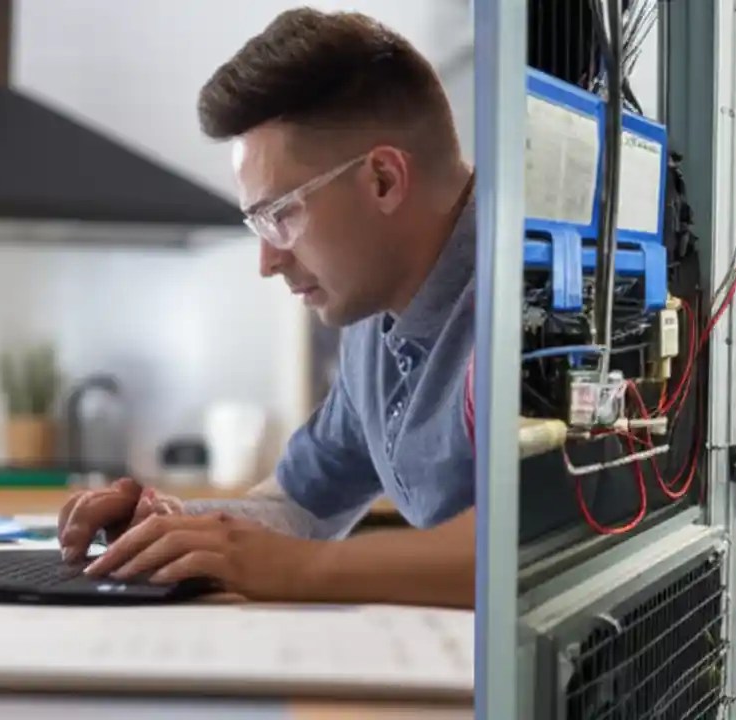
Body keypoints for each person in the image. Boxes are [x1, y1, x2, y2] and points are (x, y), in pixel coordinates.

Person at [56, 8, 478, 608]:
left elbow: (524, 542)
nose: (267, 261)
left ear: (383, 179)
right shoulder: (372, 326)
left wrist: (305, 571)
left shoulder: (522, 294)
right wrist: (172, 528)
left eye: (279, 215)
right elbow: (298, 506)